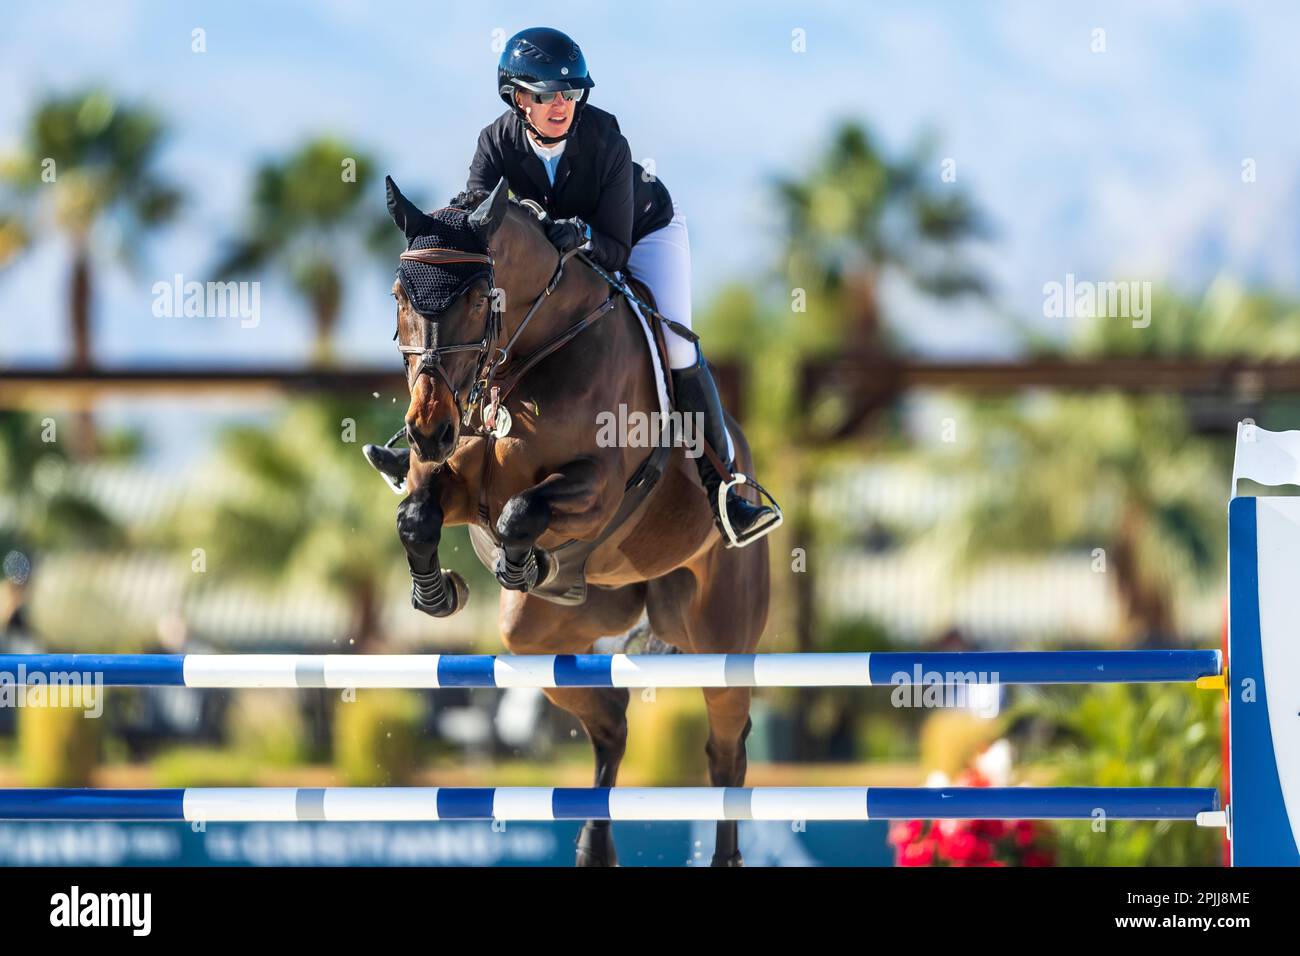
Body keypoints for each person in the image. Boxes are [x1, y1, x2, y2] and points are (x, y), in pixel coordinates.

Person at [366, 26, 779, 547]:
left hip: (640, 233)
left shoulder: (604, 138)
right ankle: (428, 451)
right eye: (545, 95)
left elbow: (618, 249)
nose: (561, 105)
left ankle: (725, 489)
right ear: (518, 98)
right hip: (557, 253)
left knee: (676, 345)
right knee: (486, 322)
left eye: (569, 92)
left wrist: (582, 234)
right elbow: (477, 217)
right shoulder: (495, 141)